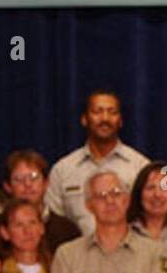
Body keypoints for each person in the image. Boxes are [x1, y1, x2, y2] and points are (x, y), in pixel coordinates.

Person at [47, 89, 150, 236]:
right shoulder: (62, 170)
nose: (105, 118)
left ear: (120, 121)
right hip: (76, 256)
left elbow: (152, 219)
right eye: (97, 112)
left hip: (129, 255)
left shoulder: (140, 166)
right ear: (84, 119)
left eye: (112, 112)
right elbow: (53, 225)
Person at [0, 149, 80, 256]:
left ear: (46, 183)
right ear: (7, 187)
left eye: (34, 177)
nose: (27, 184)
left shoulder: (68, 230)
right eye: (19, 179)